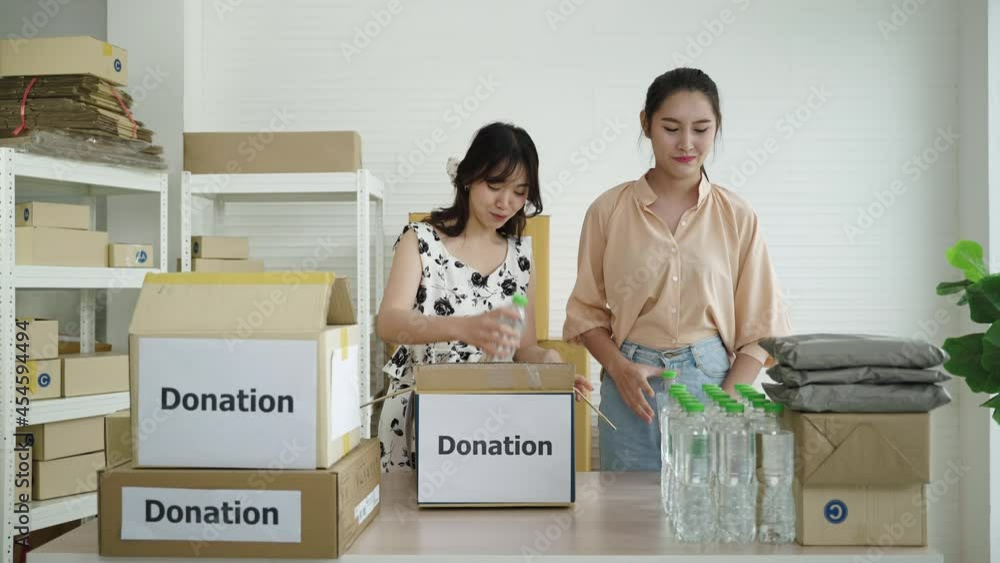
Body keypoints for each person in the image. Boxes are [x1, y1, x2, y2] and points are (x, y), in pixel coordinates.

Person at [563, 68, 792, 471]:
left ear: (717, 129)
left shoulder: (737, 215)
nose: (687, 143)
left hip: (713, 383)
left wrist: (728, 406)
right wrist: (619, 368)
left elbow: (762, 330)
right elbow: (585, 314)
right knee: (628, 524)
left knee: (706, 524)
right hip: (631, 384)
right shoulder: (607, 211)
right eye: (671, 128)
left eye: (701, 129)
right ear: (646, 124)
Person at [376, 122, 593, 472]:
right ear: (468, 177)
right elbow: (388, 323)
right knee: (411, 523)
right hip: (417, 410)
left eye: (520, 192)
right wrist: (464, 328)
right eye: (495, 185)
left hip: (487, 421)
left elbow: (523, 348)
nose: (506, 202)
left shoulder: (521, 257)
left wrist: (551, 363)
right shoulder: (421, 241)